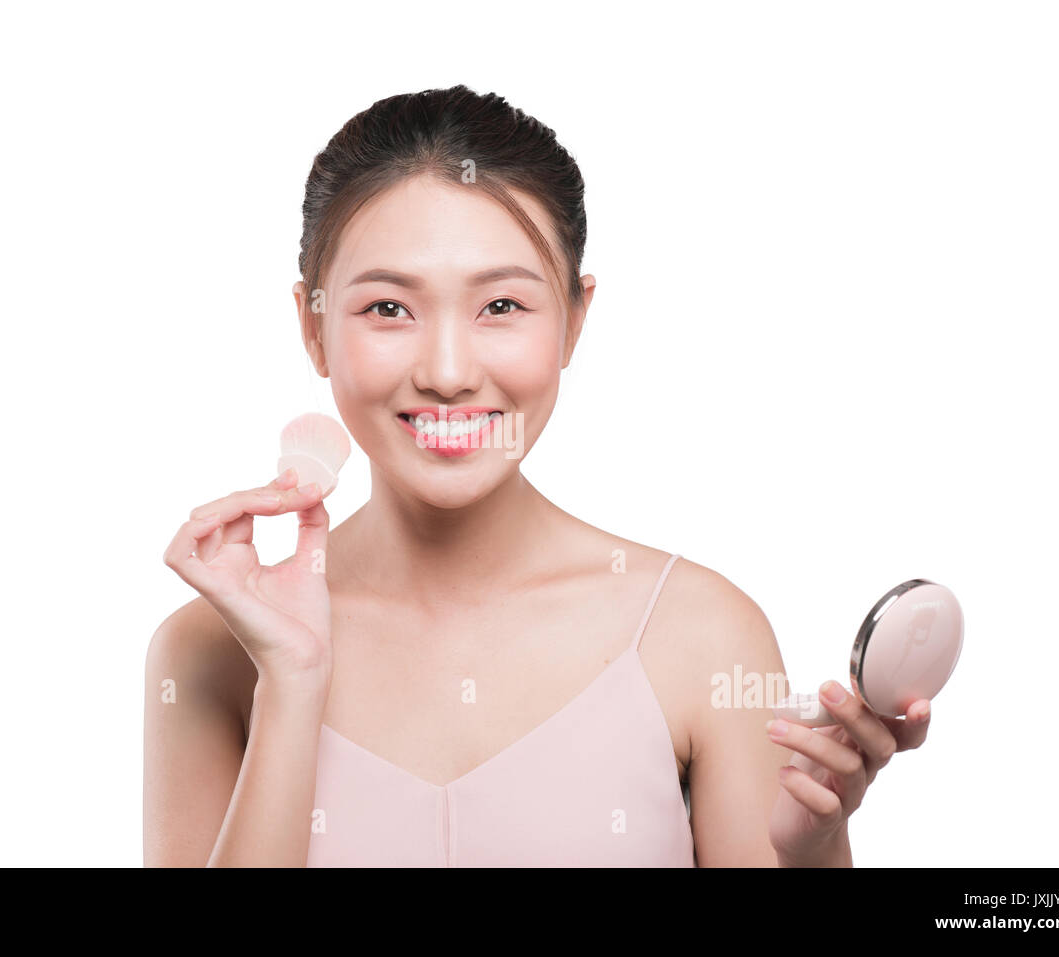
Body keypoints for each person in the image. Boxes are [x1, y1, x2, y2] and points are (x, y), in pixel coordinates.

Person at [144, 85, 932, 867]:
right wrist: (291, 678)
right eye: (388, 308)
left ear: (573, 320)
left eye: (501, 306)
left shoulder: (702, 632)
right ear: (313, 327)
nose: (448, 373)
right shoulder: (211, 648)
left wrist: (817, 852)